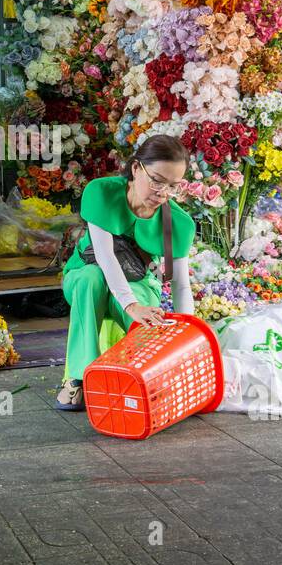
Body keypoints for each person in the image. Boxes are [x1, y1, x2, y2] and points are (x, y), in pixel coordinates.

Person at [55, 135, 196, 411]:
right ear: (135, 169)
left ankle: (137, 379)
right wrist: (129, 305)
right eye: (156, 180)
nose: (162, 193)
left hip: (139, 280)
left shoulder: (178, 223)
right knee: (90, 280)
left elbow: (180, 287)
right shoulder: (102, 193)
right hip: (88, 271)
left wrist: (185, 338)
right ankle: (79, 379)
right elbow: (105, 257)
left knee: (149, 317)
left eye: (173, 186)